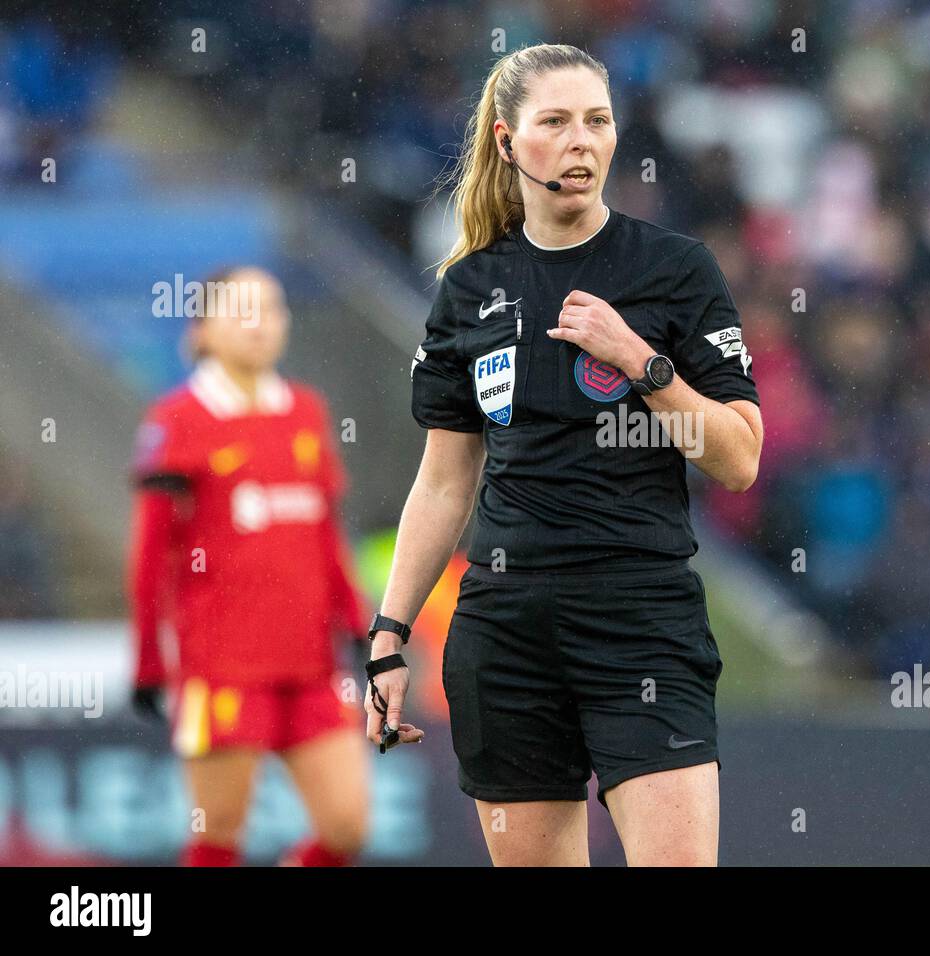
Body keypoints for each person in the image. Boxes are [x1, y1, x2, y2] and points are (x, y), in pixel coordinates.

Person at [365, 43, 763, 866]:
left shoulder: (674, 269)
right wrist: (389, 634)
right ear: (509, 143)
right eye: (557, 123)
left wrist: (642, 365)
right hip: (507, 634)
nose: (583, 141)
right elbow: (443, 483)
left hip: (642, 622)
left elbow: (738, 459)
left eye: (598, 121)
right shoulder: (470, 289)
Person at [127, 266, 370, 866]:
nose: (261, 323)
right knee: (218, 838)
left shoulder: (306, 412)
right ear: (202, 331)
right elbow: (150, 554)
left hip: (310, 664)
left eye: (273, 307)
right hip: (222, 664)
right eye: (242, 309)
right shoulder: (178, 418)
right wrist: (150, 659)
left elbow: (324, 532)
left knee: (347, 827)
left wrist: (359, 624)